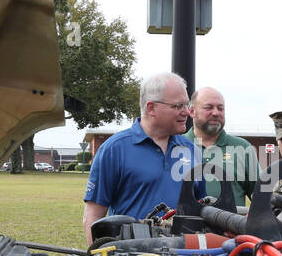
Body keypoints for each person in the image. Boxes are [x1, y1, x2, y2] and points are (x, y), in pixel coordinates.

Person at [82, 71, 199, 244]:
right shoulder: (114, 149)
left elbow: (204, 208)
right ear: (151, 108)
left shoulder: (192, 150)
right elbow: (93, 217)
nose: (187, 112)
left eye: (186, 105)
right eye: (178, 106)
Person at [186, 86, 258, 210]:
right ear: (192, 111)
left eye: (220, 108)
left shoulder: (243, 148)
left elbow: (262, 198)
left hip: (231, 228)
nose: (215, 113)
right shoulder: (176, 145)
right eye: (208, 107)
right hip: (184, 228)